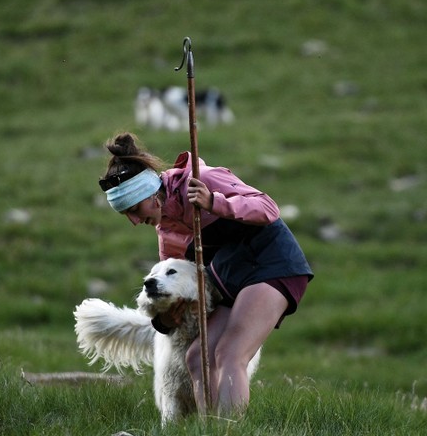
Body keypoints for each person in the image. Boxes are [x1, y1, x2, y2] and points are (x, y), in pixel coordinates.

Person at [98, 132, 313, 418]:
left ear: (149, 194)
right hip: (231, 280)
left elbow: (268, 208)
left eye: (134, 210)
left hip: (271, 263)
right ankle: (209, 431)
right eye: (127, 215)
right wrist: (163, 321)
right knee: (197, 358)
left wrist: (214, 202)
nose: (135, 221)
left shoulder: (201, 180)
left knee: (230, 353)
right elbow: (173, 289)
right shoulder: (167, 231)